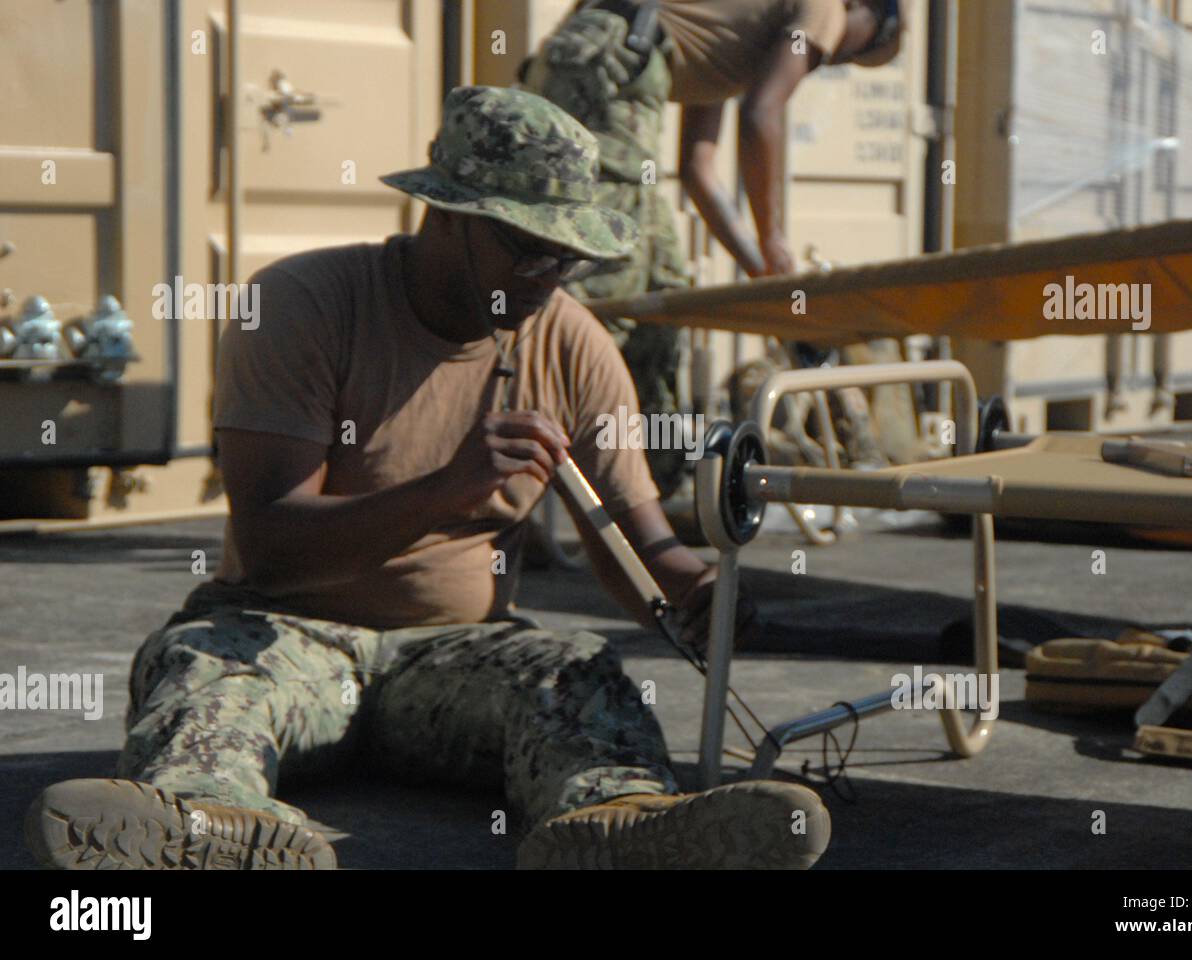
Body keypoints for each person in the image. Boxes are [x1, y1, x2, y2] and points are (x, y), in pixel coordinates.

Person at [24, 86, 829, 871]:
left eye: (570, 256)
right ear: (447, 214)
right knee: (206, 673)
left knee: (575, 673)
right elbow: (271, 545)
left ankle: (614, 825)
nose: (551, 275)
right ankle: (208, 826)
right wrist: (446, 488)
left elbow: (637, 540)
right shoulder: (304, 305)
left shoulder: (574, 347)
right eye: (529, 246)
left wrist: (695, 590)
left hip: (454, 664)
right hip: (282, 637)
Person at [521, 0, 907, 495]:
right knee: (600, 284)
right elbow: (760, 116)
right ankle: (512, 484)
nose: (834, 57)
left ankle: (648, 489)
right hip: (612, 62)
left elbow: (699, 171)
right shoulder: (826, 7)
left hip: (605, 51)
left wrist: (763, 270)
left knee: (662, 292)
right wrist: (773, 239)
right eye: (865, 46)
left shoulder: (729, 42)